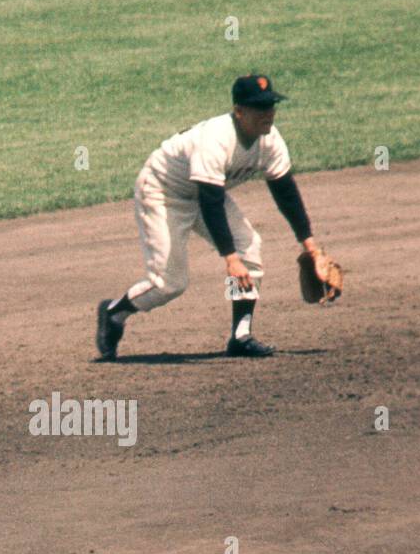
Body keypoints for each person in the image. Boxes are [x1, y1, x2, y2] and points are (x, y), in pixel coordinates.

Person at [96, 73, 325, 359]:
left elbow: (285, 193)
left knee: (249, 246)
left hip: (202, 193)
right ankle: (114, 312)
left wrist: (310, 244)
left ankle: (240, 336)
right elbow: (211, 202)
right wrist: (230, 259)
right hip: (162, 192)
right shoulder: (217, 139)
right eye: (260, 108)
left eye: (271, 106)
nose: (268, 114)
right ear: (239, 112)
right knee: (169, 284)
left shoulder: (270, 140)